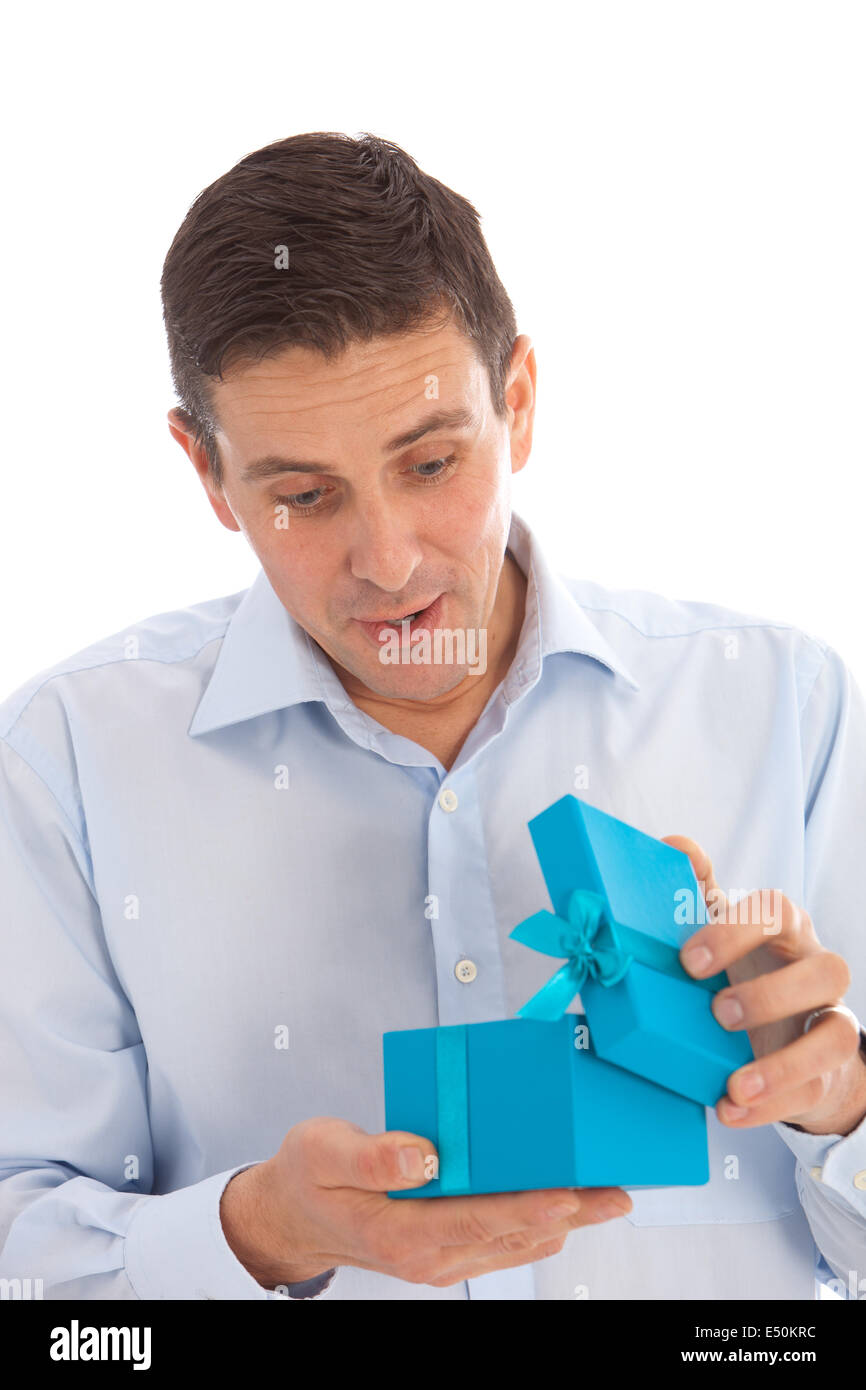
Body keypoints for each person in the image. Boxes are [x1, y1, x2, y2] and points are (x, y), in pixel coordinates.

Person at [1, 131, 864, 1302]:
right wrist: (255, 1232)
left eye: (429, 461)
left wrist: (839, 1107)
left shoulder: (787, 712)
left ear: (514, 402)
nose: (389, 562)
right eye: (304, 496)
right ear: (207, 475)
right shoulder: (68, 763)